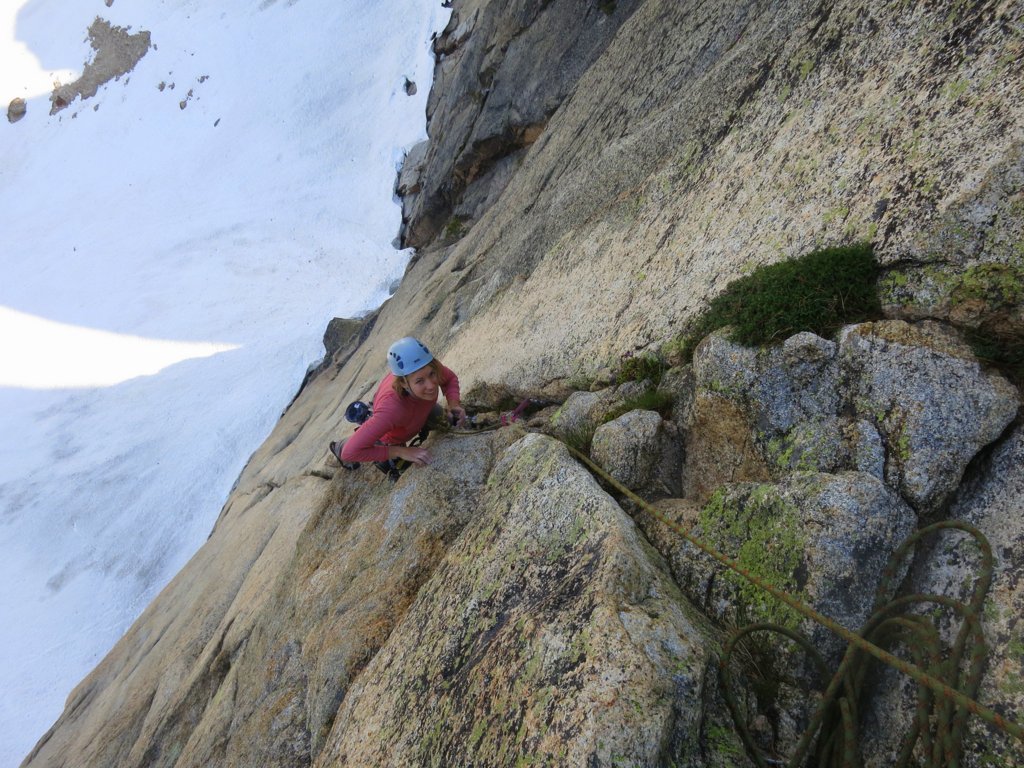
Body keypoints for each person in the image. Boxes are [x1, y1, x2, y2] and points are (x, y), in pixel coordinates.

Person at [330, 336, 465, 472]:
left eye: (432, 374)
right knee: (395, 466)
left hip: (417, 411)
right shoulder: (391, 410)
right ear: (403, 383)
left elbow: (450, 379)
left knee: (449, 421)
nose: (431, 386)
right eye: (420, 381)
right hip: (392, 432)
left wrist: (453, 404)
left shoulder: (426, 367)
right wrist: (400, 451)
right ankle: (339, 444)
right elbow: (349, 452)